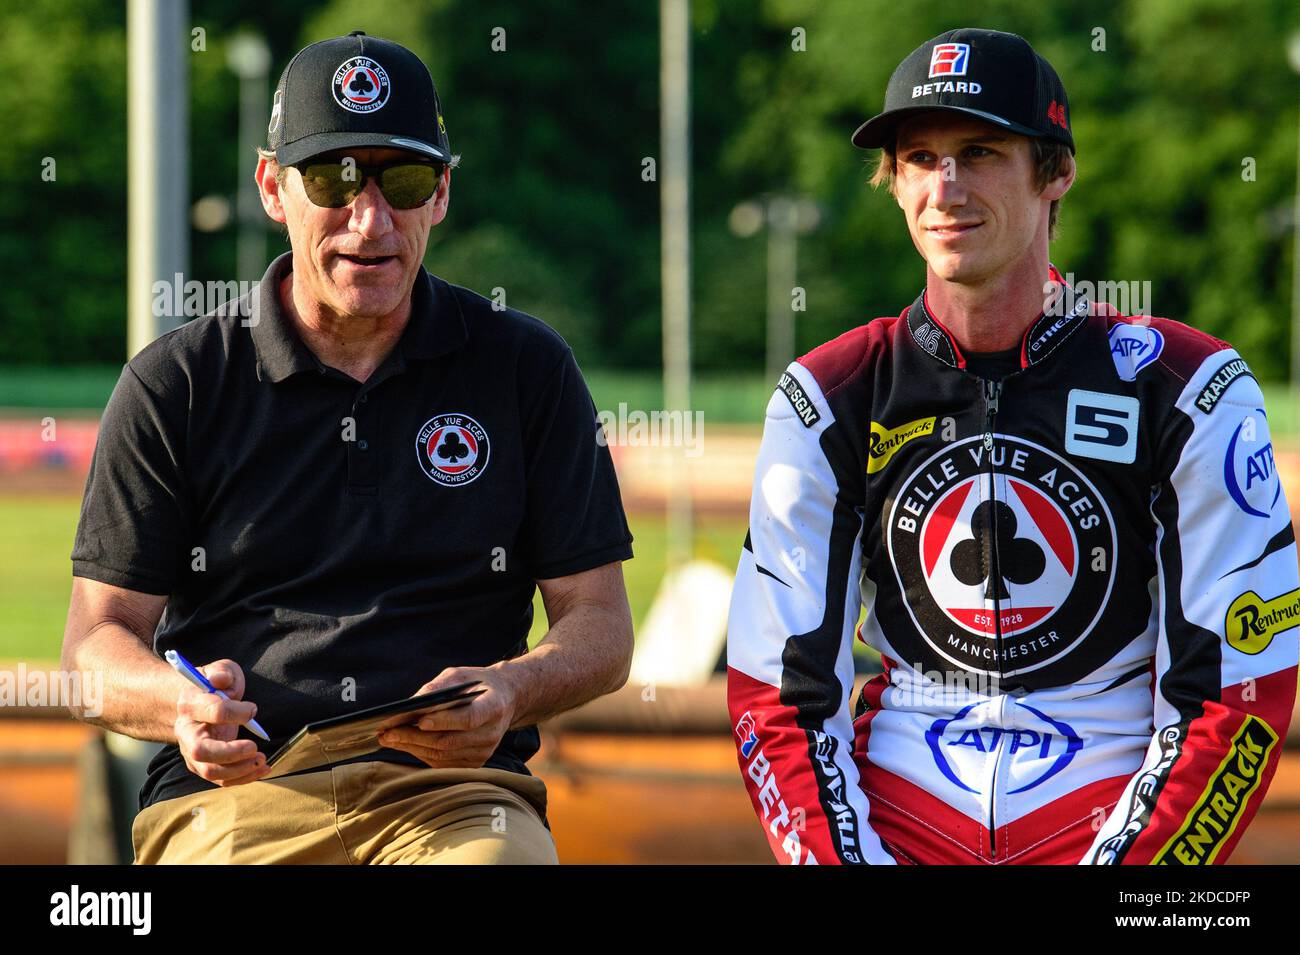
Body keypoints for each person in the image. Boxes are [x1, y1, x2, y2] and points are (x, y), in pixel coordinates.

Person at [726, 28, 1298, 865]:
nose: (945, 187)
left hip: (1109, 816)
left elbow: (1238, 692)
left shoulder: (1190, 384)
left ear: (1057, 172)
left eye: (981, 151)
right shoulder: (829, 393)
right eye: (918, 158)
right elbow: (777, 696)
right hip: (897, 820)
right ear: (893, 183)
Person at [62, 31, 635, 865]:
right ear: (272, 186)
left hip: (456, 795)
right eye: (332, 178)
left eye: (401, 180)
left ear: (441, 193)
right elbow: (94, 643)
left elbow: (602, 623)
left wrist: (510, 689)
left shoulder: (523, 367)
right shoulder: (176, 382)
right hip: (231, 798)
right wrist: (178, 704)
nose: (371, 220)